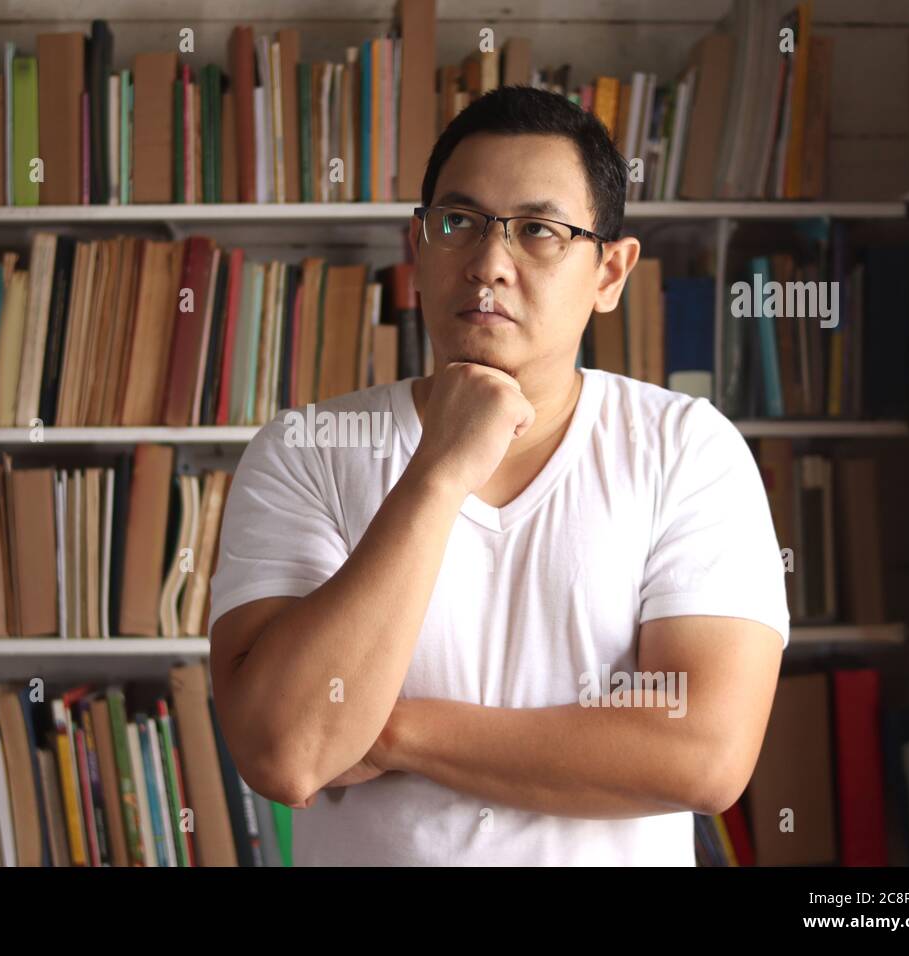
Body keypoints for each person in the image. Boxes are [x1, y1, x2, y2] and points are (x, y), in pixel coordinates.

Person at [207, 85, 789, 865]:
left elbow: (705, 755)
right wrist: (439, 473)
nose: (489, 264)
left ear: (610, 273)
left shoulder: (688, 449)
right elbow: (283, 752)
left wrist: (390, 730)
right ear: (417, 245)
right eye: (458, 222)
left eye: (540, 232)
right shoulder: (304, 448)